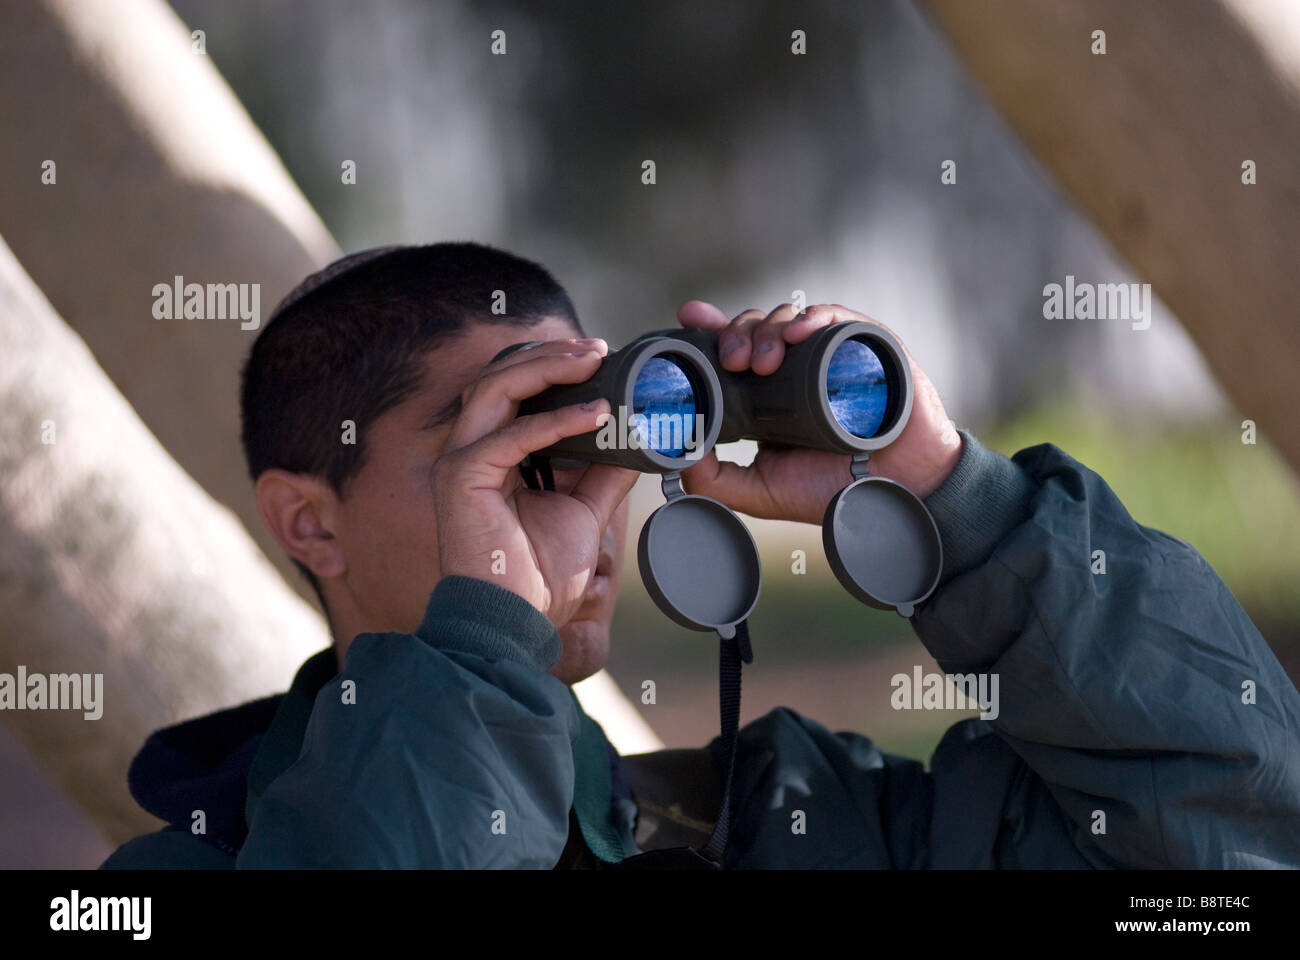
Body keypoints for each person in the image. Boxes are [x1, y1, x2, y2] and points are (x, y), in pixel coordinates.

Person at [101, 243, 1300, 869]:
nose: (583, 499)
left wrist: (958, 499)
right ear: (309, 521)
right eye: (511, 444)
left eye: (592, 432)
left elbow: (1235, 840)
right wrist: (482, 636)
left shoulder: (791, 826)